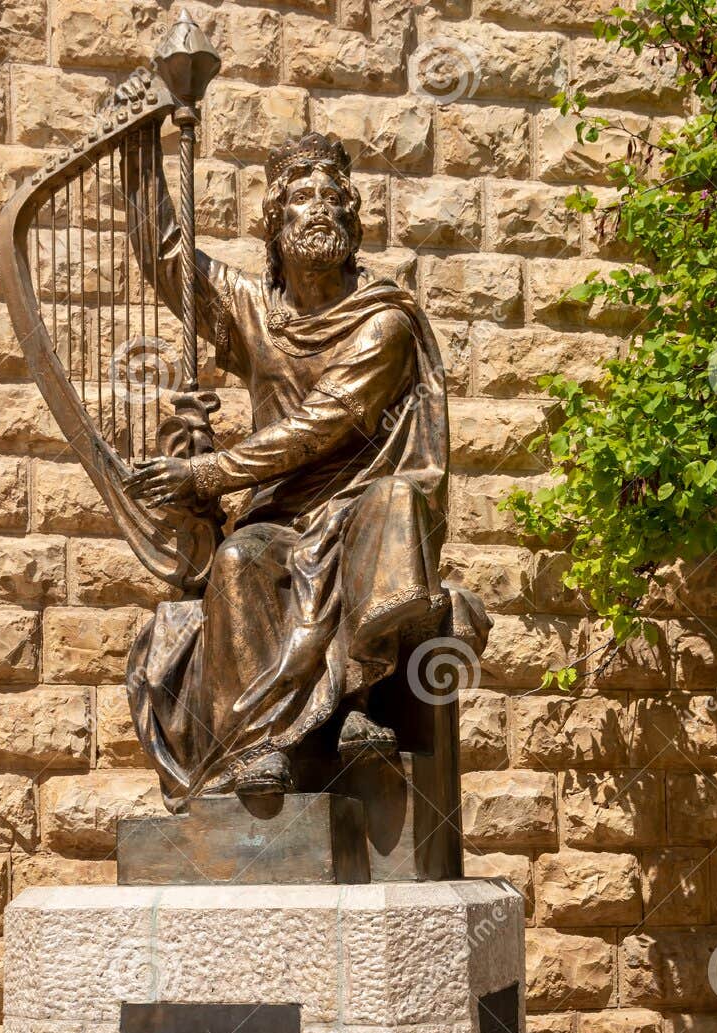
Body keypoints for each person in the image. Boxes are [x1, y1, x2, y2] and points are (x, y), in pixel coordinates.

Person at [123, 130, 467, 809]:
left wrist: (207, 474)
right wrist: (139, 156)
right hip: (279, 517)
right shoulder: (251, 308)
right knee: (240, 560)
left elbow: (325, 422)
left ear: (351, 218)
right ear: (274, 225)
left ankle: (359, 703)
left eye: (332, 199)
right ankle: (258, 748)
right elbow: (166, 258)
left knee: (391, 504)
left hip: (360, 505)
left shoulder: (382, 322)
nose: (319, 211)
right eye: (300, 199)